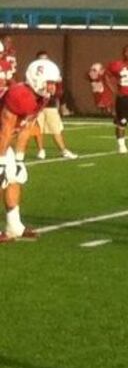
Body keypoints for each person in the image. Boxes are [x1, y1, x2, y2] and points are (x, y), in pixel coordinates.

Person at [0, 58, 60, 242]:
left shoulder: (41, 97)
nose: (52, 88)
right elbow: (6, 129)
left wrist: (19, 159)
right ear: (37, 79)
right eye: (49, 83)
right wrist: (1, 161)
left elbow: (26, 127)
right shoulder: (19, 95)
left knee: (13, 178)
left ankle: (14, 225)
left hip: (3, 140)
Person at [29, 51, 76, 160]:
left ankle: (63, 150)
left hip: (50, 104)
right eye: (41, 59)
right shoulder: (32, 72)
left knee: (56, 128)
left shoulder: (52, 72)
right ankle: (41, 150)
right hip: (37, 103)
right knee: (38, 128)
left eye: (46, 59)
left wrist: (56, 95)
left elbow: (58, 89)